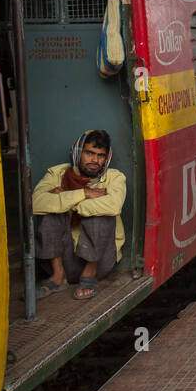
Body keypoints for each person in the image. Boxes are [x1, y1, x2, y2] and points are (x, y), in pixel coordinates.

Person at [32, 129, 127, 300]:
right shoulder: (57, 174)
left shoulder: (114, 178)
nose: (95, 160)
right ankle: (58, 276)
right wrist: (83, 193)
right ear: (78, 152)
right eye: (89, 153)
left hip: (100, 261)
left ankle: (88, 275)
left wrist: (66, 200)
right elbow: (36, 202)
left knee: (100, 213)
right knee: (48, 210)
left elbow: (113, 206)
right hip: (63, 256)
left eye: (100, 155)